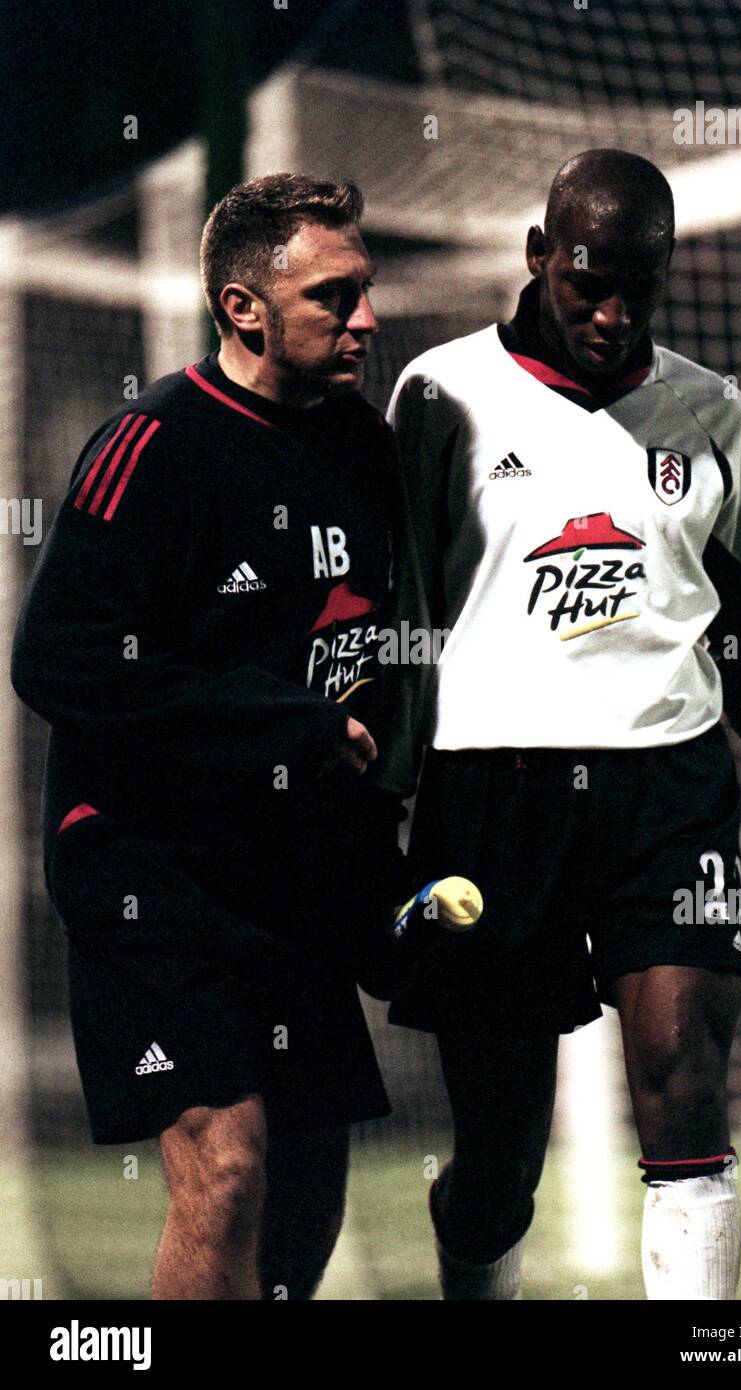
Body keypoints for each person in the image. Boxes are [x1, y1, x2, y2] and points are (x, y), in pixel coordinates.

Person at [381, 149, 741, 1300]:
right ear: (537, 257)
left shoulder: (711, 417)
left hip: (667, 791)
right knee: (500, 1156)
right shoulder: (438, 394)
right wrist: (376, 802)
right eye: (585, 283)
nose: (609, 314)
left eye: (636, 289)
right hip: (491, 796)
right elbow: (393, 618)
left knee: (685, 1090)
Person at [11, 172, 409, 1300]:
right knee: (227, 1170)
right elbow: (55, 659)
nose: (365, 318)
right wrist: (283, 722)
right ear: (244, 309)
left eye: (365, 291)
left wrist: (382, 860)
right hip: (152, 873)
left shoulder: (365, 453)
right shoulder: (152, 444)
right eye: (334, 297)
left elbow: (369, 672)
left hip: (295, 878)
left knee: (306, 1205)